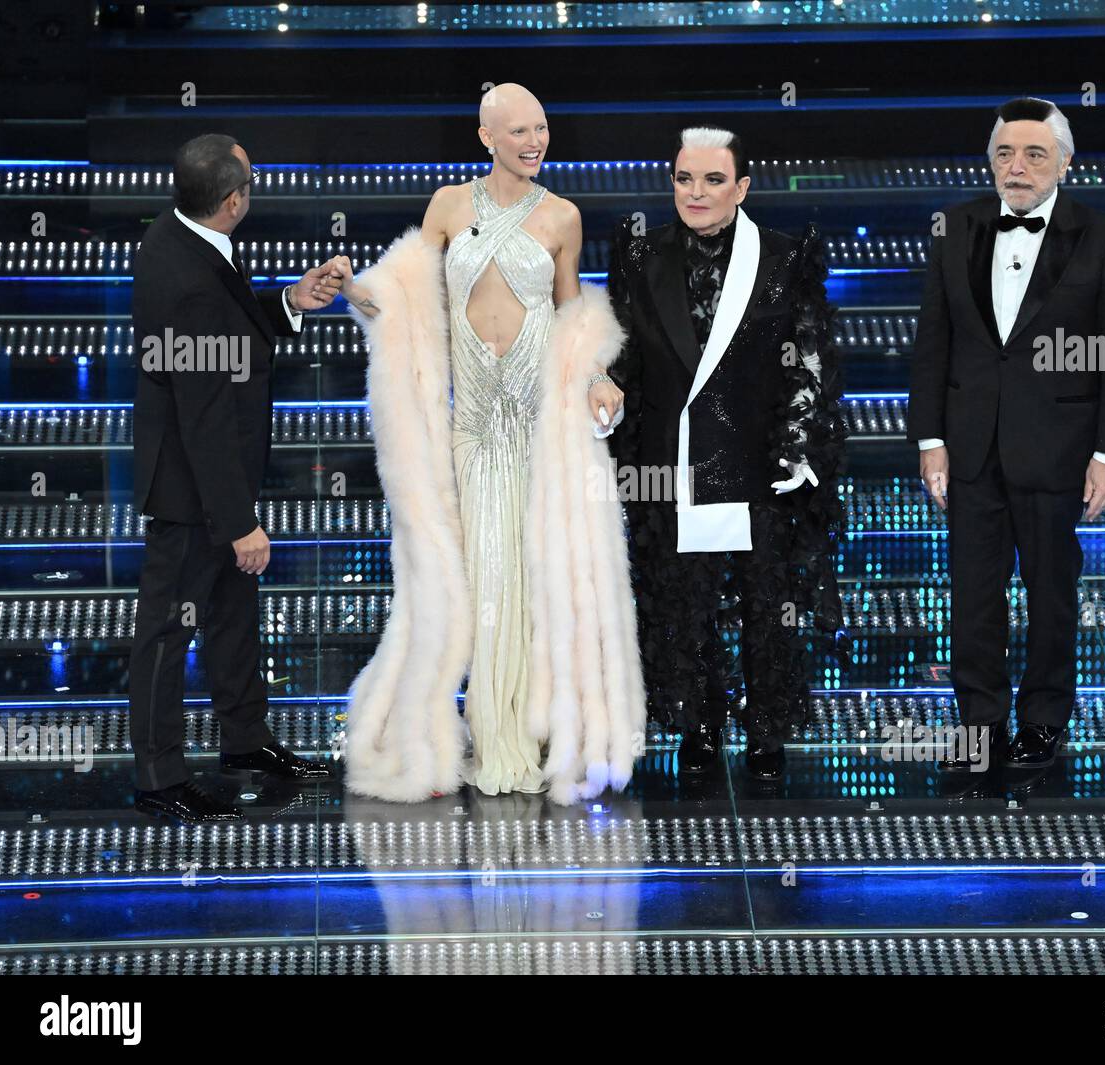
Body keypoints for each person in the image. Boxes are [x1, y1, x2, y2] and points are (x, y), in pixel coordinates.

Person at [335, 84, 645, 805]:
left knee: (536, 580)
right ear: (487, 137)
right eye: (519, 130)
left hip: (539, 430)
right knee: (474, 582)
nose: (535, 141)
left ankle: (533, 732)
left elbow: (573, 314)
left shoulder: (563, 216)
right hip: (469, 432)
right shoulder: (447, 206)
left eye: (542, 128)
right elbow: (408, 302)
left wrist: (598, 373)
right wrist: (357, 291)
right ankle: (477, 727)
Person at [907, 97, 1105, 772]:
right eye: (1006, 153)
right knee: (972, 594)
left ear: (1065, 162)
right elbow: (933, 343)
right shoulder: (955, 227)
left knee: (1050, 593)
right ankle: (979, 723)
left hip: (1061, 447)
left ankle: (1044, 719)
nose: (1017, 166)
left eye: (1035, 154)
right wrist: (930, 439)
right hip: (971, 446)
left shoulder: (1103, 234)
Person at [606, 126, 846, 781]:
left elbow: (812, 357)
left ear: (742, 187)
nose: (697, 192)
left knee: (766, 600)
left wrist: (798, 445)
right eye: (685, 178)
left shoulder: (788, 256)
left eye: (714, 180)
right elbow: (620, 352)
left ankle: (767, 725)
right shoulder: (636, 255)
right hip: (671, 455)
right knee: (687, 595)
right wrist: (604, 392)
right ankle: (702, 719)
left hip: (761, 457)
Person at [129, 133, 343, 823]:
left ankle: (245, 740)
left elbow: (230, 335)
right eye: (249, 182)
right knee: (169, 630)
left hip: (211, 479)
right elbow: (205, 416)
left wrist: (288, 303)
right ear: (232, 201)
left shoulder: (186, 235)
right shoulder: (187, 280)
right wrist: (239, 521)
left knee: (230, 614)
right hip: (193, 489)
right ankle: (160, 777)